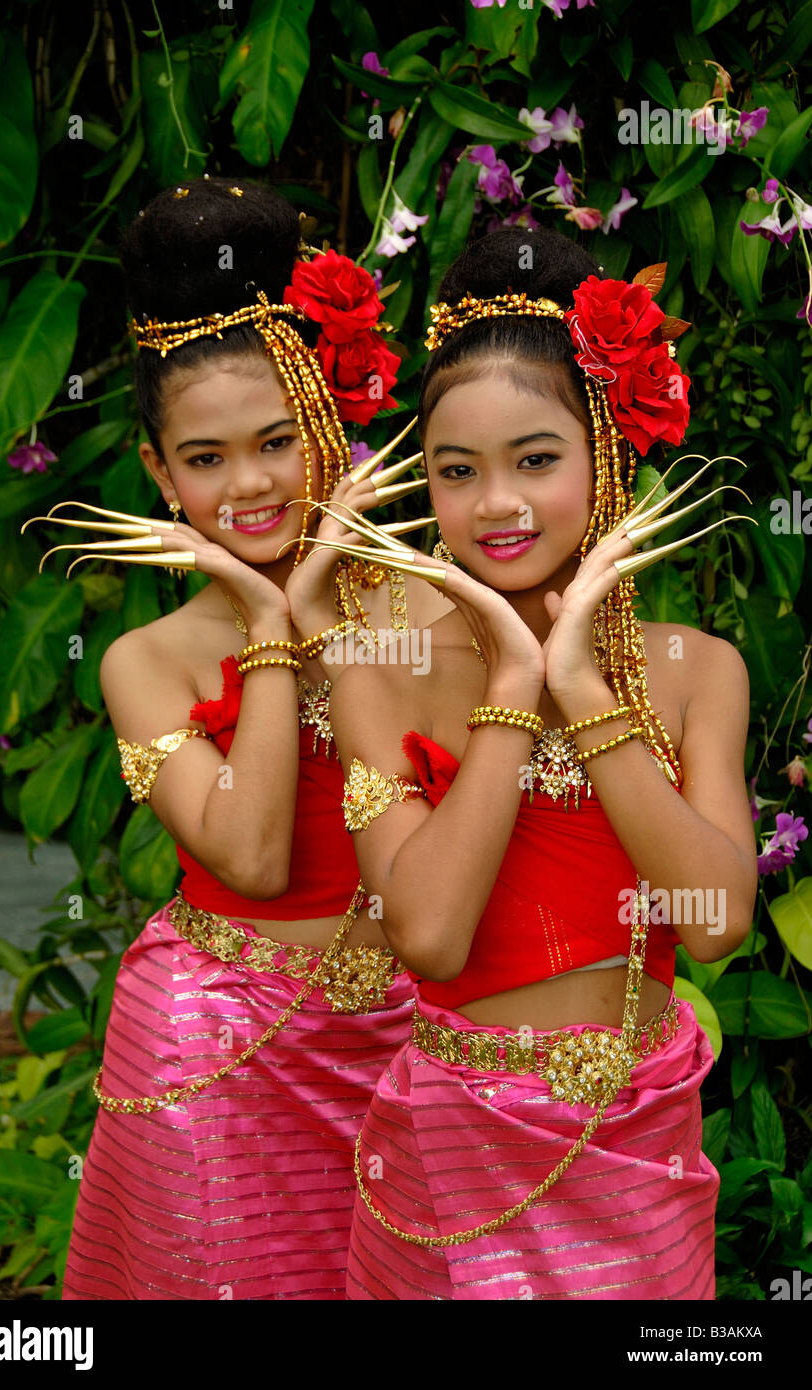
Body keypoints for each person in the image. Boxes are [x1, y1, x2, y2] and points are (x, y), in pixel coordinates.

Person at [315, 227, 758, 1299]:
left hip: (636, 1149)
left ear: (608, 447)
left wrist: (588, 692)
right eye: (457, 472)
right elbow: (426, 933)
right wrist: (513, 692)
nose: (497, 504)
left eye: (536, 459)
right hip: (451, 1151)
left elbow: (715, 922)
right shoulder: (378, 660)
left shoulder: (697, 671)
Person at [31, 176, 451, 1300]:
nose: (252, 485)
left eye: (276, 441)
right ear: (160, 476)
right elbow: (256, 857)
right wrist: (275, 627)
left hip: (416, 1039)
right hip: (215, 1048)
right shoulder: (147, 663)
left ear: (326, 426)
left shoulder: (428, 612)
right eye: (207, 460)